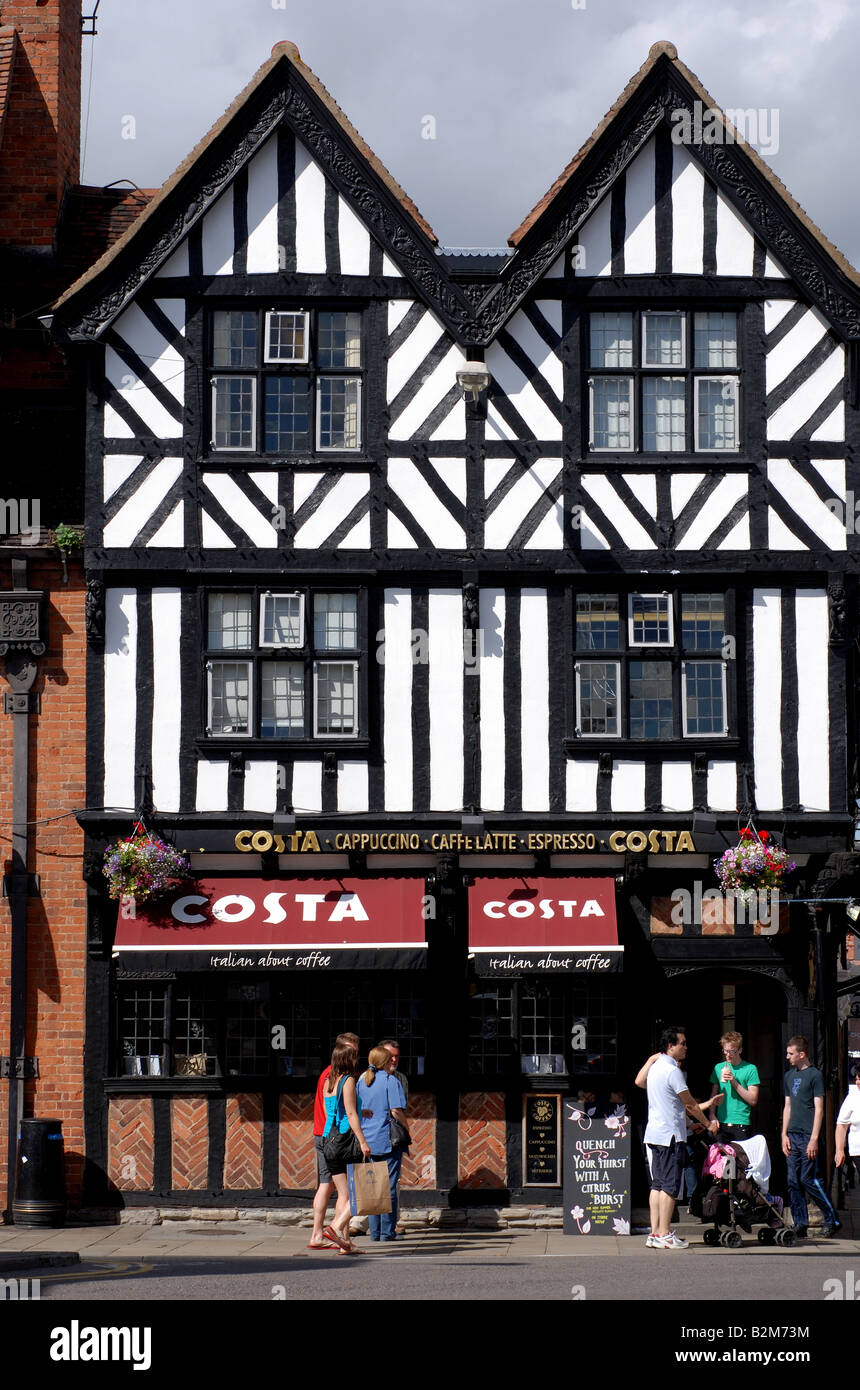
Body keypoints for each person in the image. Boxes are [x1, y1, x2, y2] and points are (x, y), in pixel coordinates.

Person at [635, 1027, 719, 1249]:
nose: (686, 1047)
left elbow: (639, 1082)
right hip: (670, 1135)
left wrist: (653, 1058)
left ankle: (654, 1233)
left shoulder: (655, 1068)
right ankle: (664, 1233)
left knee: (657, 1185)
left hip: (654, 1133)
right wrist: (708, 1123)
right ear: (670, 1046)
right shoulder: (673, 1071)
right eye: (682, 1043)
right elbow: (689, 1104)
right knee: (670, 1186)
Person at [781, 1034, 840, 1239]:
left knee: (809, 1179)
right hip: (792, 1135)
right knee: (792, 1180)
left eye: (791, 1053)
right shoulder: (789, 1076)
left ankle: (831, 1218)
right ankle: (800, 1222)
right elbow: (787, 1106)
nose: (787, 1057)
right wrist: (783, 1134)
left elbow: (819, 1108)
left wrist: (814, 1138)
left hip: (808, 1135)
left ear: (802, 1054)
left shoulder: (815, 1075)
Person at [319, 1042, 371, 1252]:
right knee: (360, 1193)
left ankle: (345, 1244)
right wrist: (363, 1141)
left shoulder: (328, 1082)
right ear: (349, 1059)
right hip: (345, 1142)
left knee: (344, 1195)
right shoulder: (348, 1081)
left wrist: (361, 1110)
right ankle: (335, 1227)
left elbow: (330, 1111)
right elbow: (350, 1115)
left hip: (328, 1140)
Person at [310, 1032, 359, 1250]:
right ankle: (340, 1236)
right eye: (351, 1051)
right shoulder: (339, 1076)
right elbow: (345, 1114)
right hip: (334, 1137)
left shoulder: (327, 1076)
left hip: (323, 1135)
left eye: (356, 1051)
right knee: (342, 1191)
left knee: (326, 1186)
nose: (354, 1056)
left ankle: (317, 1235)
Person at [356, 1045, 408, 1242]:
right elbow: (396, 1111)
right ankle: (388, 1232)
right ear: (385, 1061)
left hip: (368, 1140)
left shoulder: (362, 1082)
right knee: (389, 1186)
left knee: (372, 1186)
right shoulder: (390, 1081)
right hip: (387, 1139)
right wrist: (407, 1127)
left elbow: (355, 1109)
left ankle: (375, 1233)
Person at [707, 1030, 760, 1141]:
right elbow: (713, 1095)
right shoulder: (718, 1068)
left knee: (740, 1158)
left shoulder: (750, 1069)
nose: (728, 1054)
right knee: (720, 1158)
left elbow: (753, 1100)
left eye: (732, 1051)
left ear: (740, 1050)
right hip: (721, 1123)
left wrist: (733, 1081)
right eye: (725, 1051)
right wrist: (712, 1115)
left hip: (741, 1123)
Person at [834, 1060, 860, 1181]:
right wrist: (839, 1150)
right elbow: (842, 1124)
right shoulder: (852, 1097)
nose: (858, 1082)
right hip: (858, 1151)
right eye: (856, 1079)